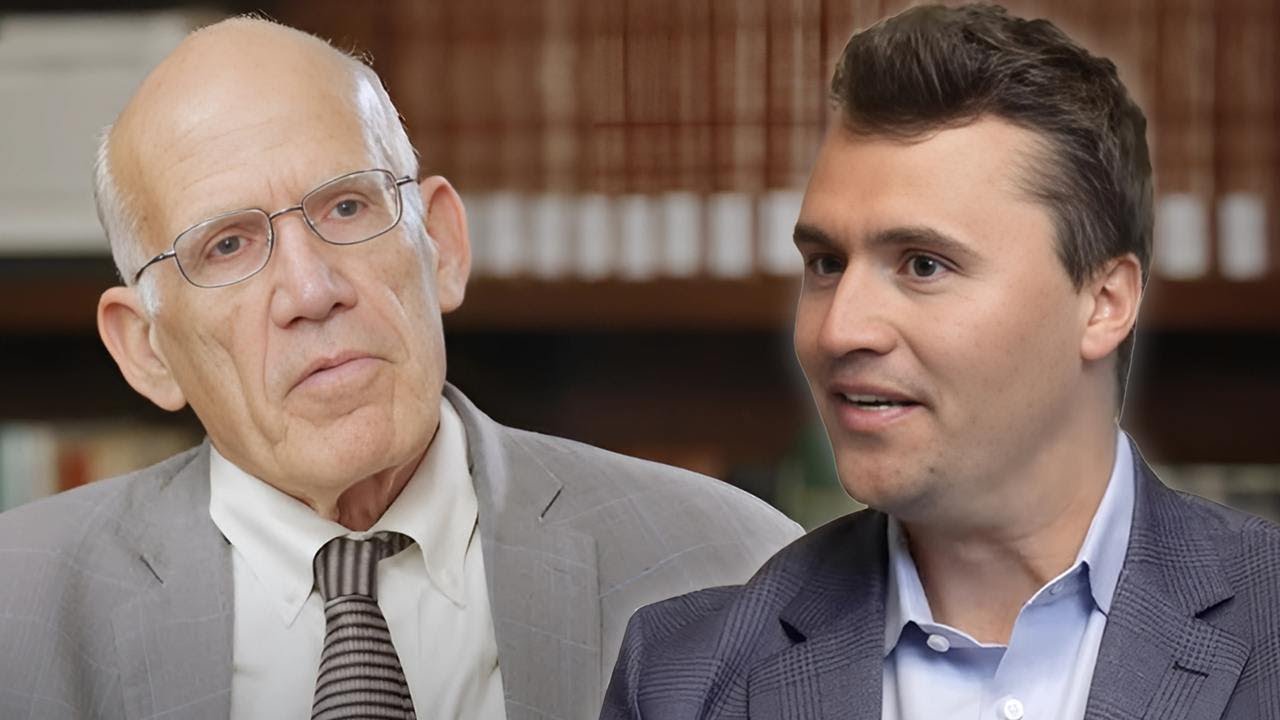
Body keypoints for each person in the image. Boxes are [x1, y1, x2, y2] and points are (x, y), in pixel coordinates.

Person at [0, 17, 802, 720]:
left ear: (443, 245)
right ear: (145, 348)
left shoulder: (731, 565)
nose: (311, 292)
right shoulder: (18, 616)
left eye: (348, 206)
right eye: (228, 246)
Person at [602, 4, 1280, 719]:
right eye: (826, 263)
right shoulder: (682, 680)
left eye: (923, 264)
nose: (839, 330)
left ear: (1103, 303)